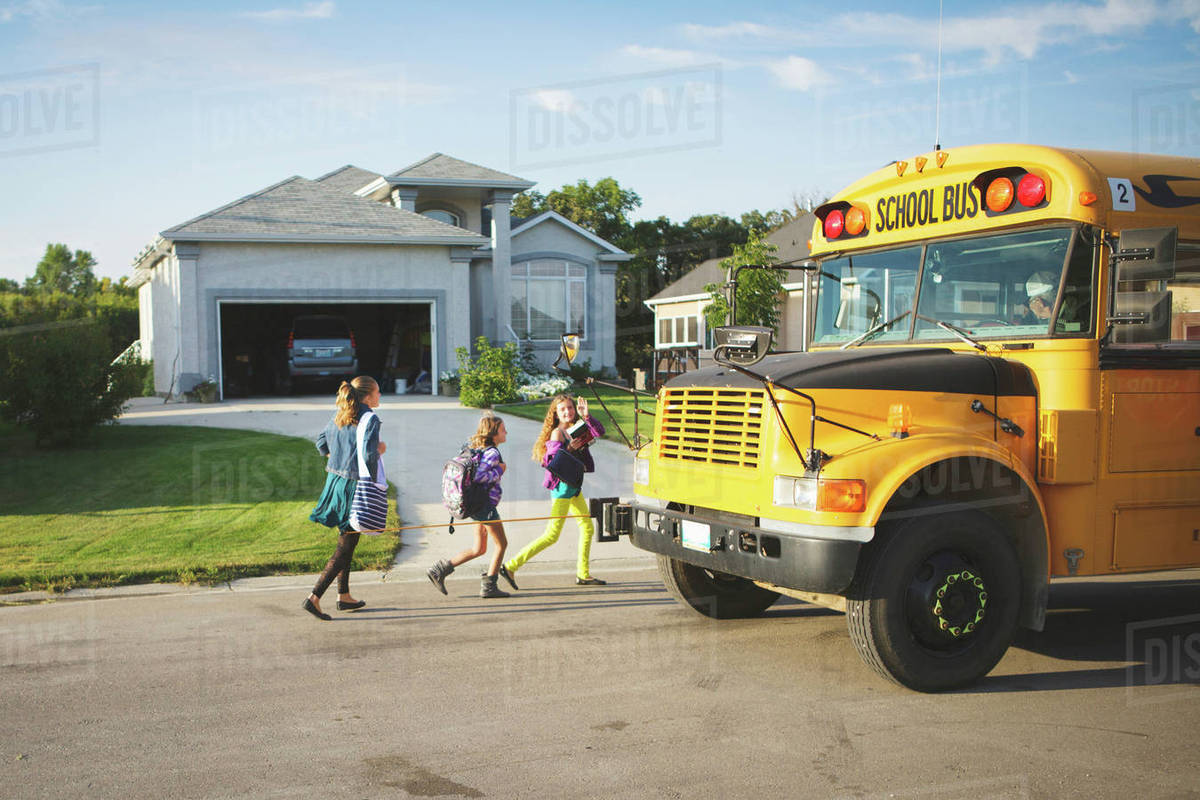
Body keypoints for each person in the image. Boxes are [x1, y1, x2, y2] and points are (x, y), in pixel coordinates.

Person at [502, 394, 607, 588]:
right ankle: (510, 566)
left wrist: (587, 416)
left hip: (574, 485)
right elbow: (552, 463)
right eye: (562, 409)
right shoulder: (557, 434)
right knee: (552, 535)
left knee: (587, 527)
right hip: (562, 488)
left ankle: (583, 574)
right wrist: (569, 448)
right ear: (556, 414)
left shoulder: (576, 428)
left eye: (570, 408)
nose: (568, 412)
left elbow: (599, 432)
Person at [304, 376, 385, 620]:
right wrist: (379, 454)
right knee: (346, 544)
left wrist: (336, 456)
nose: (380, 396)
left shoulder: (341, 414)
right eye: (378, 392)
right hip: (355, 486)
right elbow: (370, 455)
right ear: (368, 396)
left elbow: (321, 444)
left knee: (348, 538)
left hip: (335, 483)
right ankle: (314, 597)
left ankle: (344, 596)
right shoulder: (369, 418)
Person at [427, 413, 512, 599]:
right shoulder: (492, 453)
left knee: (479, 548)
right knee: (501, 544)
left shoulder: (476, 449)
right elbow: (478, 477)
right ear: (493, 432)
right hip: (484, 506)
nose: (506, 431)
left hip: (476, 505)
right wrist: (499, 470)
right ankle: (489, 586)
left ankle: (438, 570)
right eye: (502, 428)